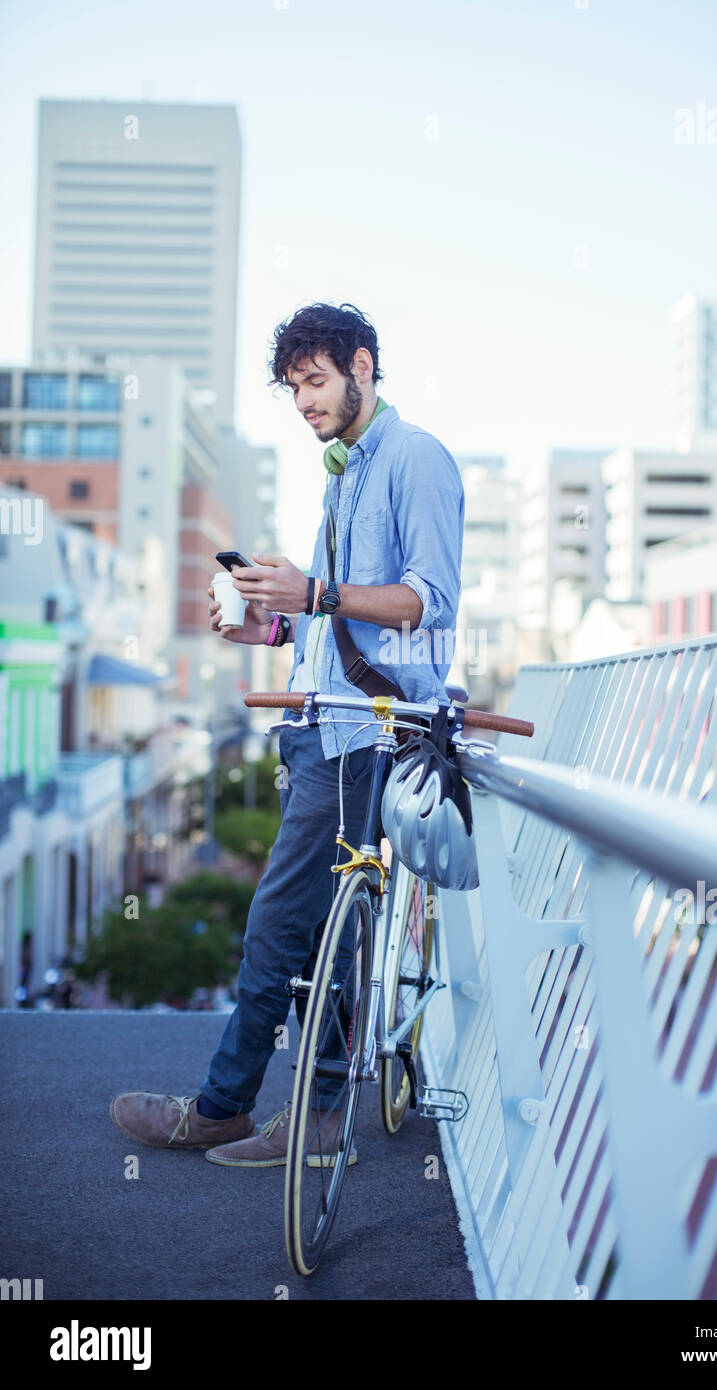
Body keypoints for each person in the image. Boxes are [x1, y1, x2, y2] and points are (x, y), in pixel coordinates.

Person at [110, 302, 465, 1166]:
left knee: (278, 927)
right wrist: (267, 629)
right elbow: (334, 623)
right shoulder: (344, 474)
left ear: (363, 366)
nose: (304, 401)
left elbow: (429, 604)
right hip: (319, 728)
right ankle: (322, 1109)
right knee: (314, 935)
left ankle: (229, 1107)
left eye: (315, 381)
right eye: (293, 388)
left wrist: (313, 594)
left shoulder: (414, 458)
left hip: (363, 738)